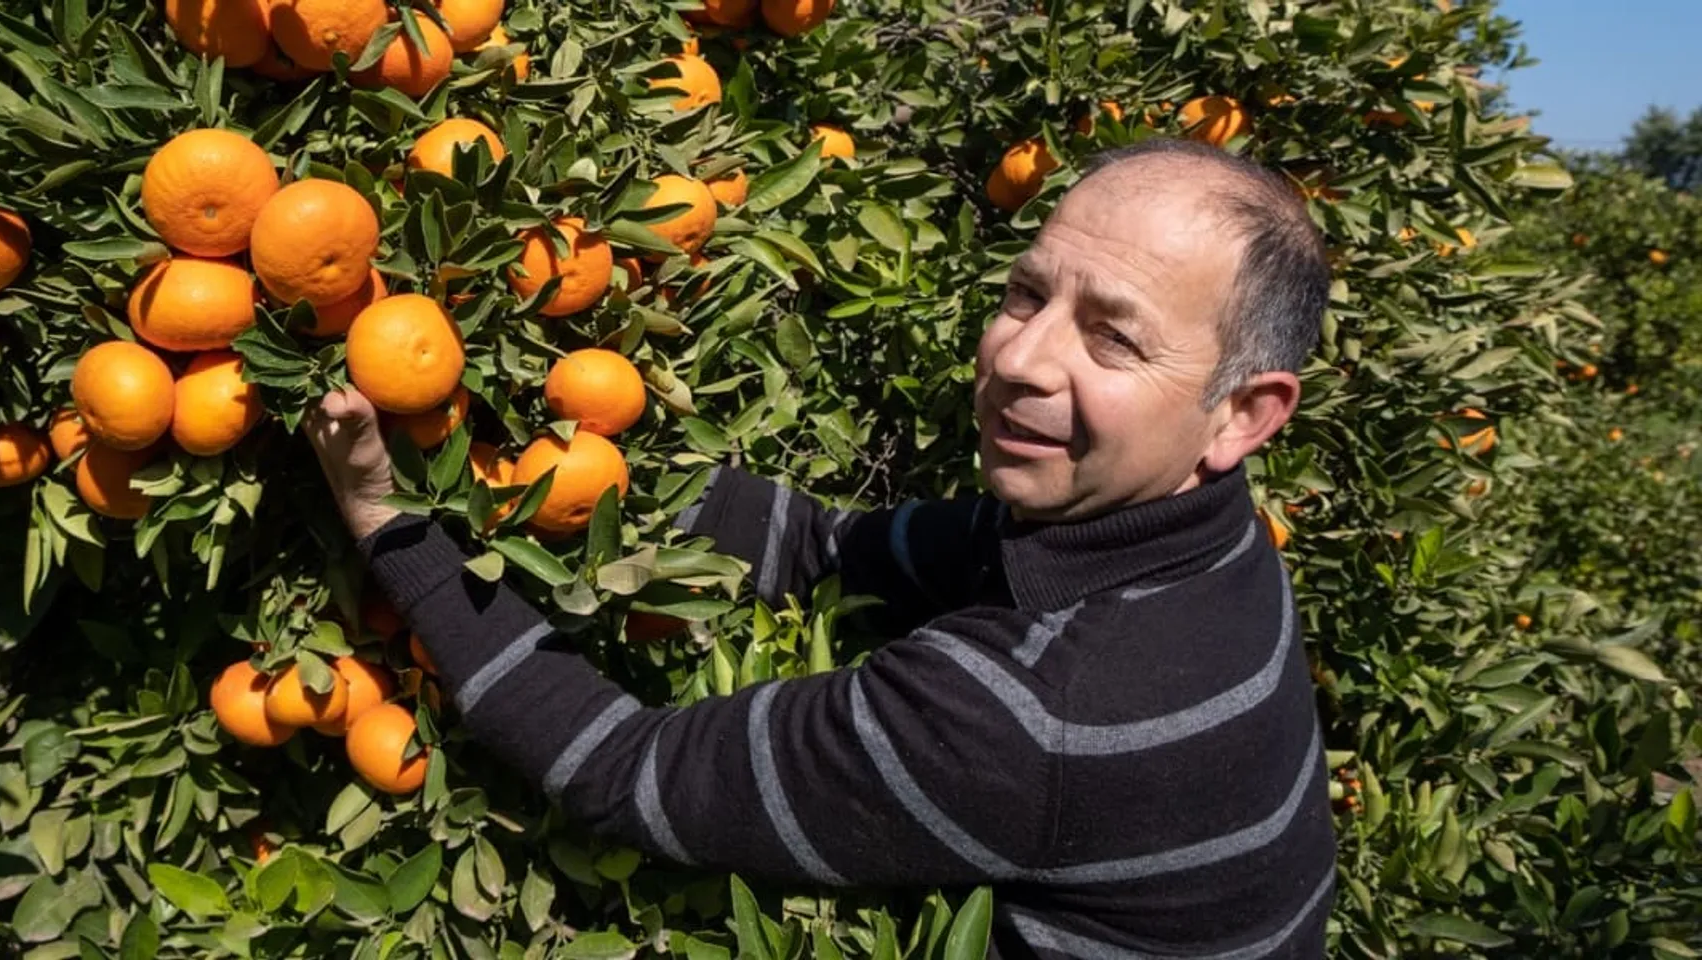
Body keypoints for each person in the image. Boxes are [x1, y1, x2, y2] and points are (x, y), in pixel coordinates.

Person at [305, 137, 1336, 959]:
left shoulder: (1039, 713)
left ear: (1243, 416)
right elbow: (821, 547)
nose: (1020, 358)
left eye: (1114, 337)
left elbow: (625, 770)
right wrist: (528, 416)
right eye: (1027, 295)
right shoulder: (1186, 542)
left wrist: (394, 527)